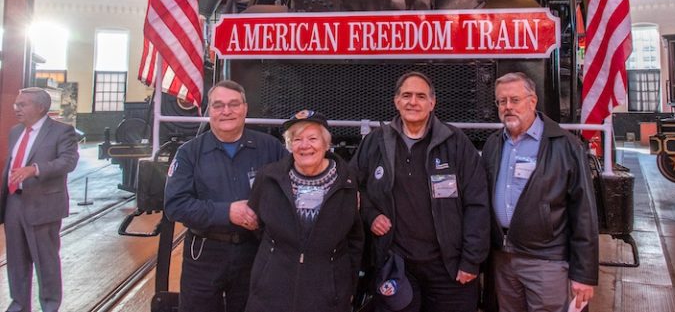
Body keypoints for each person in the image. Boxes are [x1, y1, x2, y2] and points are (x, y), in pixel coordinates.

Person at [351, 71, 489, 312]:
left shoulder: (456, 142)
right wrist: (370, 215)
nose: (413, 102)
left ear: (432, 103)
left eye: (420, 96)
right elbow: (353, 188)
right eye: (406, 95)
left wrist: (471, 260)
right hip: (397, 266)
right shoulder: (376, 142)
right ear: (396, 101)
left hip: (449, 267)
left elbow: (477, 204)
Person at [164, 80, 286, 312]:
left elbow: (296, 185)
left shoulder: (271, 148)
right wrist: (228, 212)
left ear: (245, 108)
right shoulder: (189, 153)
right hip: (204, 254)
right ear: (209, 110)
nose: (227, 111)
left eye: (233, 104)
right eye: (218, 105)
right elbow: (175, 206)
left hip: (255, 252)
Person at [482, 72, 598, 312]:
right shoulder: (494, 144)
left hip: (546, 262)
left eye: (515, 100)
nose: (508, 107)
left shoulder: (565, 145)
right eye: (501, 102)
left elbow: (584, 213)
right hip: (504, 258)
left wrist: (584, 274)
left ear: (532, 101)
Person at [245, 110, 363, 312]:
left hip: (327, 292)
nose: (305, 145)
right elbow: (258, 227)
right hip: (272, 290)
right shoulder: (268, 178)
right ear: (289, 145)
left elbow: (354, 239)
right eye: (297, 139)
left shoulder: (348, 181)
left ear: (326, 143)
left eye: (312, 138)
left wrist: (346, 286)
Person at [0, 87, 79, 312]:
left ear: (40, 107)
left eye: (22, 104)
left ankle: (50, 306)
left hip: (43, 205)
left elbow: (68, 162)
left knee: (46, 262)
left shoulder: (61, 131)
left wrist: (35, 169)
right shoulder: (16, 131)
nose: (16, 108)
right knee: (16, 262)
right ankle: (19, 306)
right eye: (16, 104)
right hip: (15, 203)